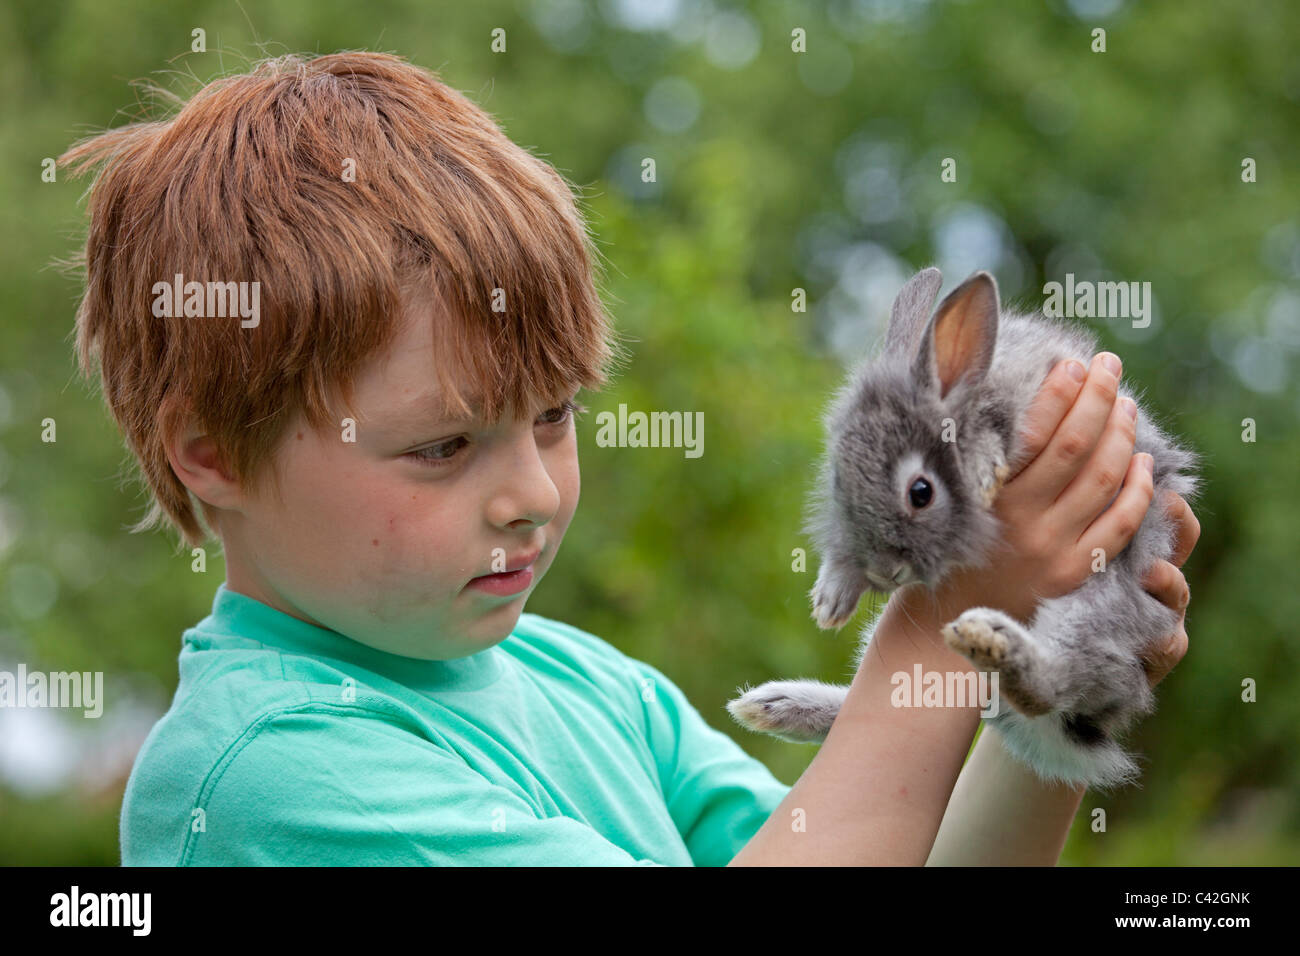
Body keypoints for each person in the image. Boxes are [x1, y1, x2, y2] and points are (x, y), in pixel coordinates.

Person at [58, 51, 1198, 866]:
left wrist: (1041, 682)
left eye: (552, 417)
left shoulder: (592, 687)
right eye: (444, 444)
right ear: (212, 453)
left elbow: (875, 844)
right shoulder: (267, 776)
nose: (531, 493)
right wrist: (935, 619)